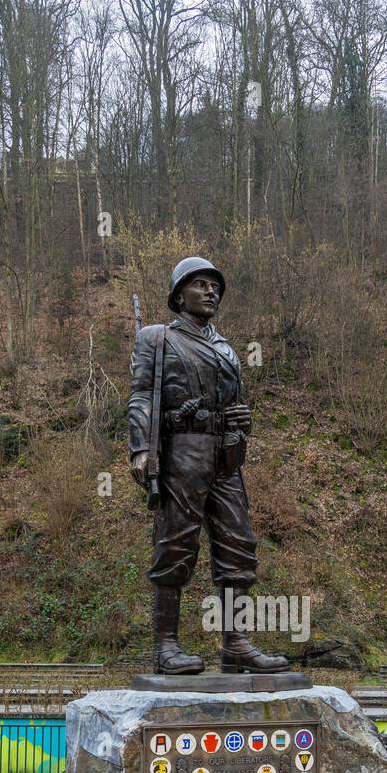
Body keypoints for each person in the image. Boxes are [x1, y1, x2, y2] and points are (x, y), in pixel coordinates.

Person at [128, 256, 289, 675]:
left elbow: (233, 402)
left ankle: (235, 643)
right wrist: (141, 449)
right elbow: (142, 394)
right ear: (179, 294)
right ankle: (166, 646)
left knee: (239, 544)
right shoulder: (157, 338)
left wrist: (242, 421)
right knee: (176, 542)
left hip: (226, 454)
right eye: (200, 284)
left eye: (214, 285)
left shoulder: (226, 348)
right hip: (183, 449)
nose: (211, 291)